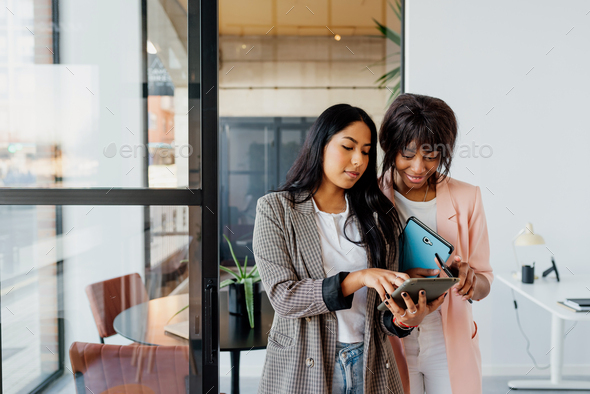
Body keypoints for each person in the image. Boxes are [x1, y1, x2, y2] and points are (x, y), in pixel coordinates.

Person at [253, 104, 445, 394]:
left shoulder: (379, 214)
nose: (358, 160)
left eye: (366, 151)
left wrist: (405, 319)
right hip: (303, 366)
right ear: (320, 145)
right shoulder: (276, 209)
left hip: (372, 363)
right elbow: (284, 297)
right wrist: (360, 277)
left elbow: (383, 316)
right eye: (348, 147)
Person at [378, 93, 493, 394]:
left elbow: (485, 282)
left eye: (430, 156)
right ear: (389, 146)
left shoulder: (468, 197)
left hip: (448, 337)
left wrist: (471, 281)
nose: (418, 167)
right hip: (392, 334)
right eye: (407, 153)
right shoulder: (370, 198)